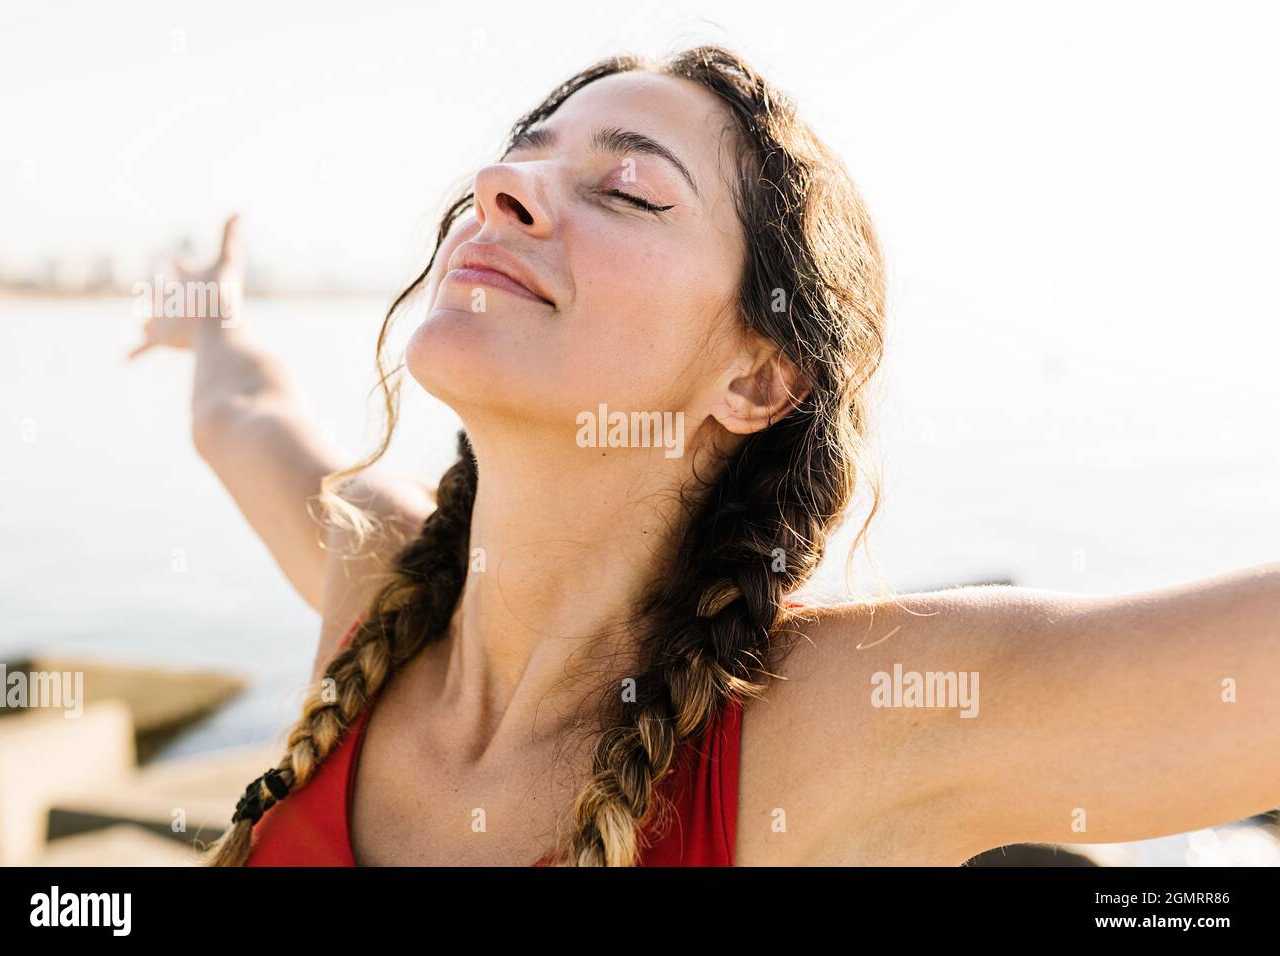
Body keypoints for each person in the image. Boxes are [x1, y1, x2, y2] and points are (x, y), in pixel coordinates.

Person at [128, 45, 1280, 867]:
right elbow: (242, 409)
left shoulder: (830, 730)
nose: (502, 189)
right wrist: (208, 319)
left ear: (757, 378)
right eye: (518, 159)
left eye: (627, 188)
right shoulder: (379, 588)